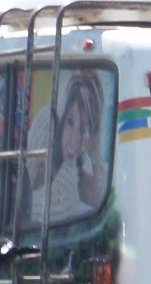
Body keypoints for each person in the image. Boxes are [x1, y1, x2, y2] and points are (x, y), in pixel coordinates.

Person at [28, 72, 106, 222]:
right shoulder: (46, 125)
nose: (75, 142)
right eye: (70, 122)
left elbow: (103, 199)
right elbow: (25, 208)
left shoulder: (82, 165)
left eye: (84, 129)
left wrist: (94, 153)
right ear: (61, 117)